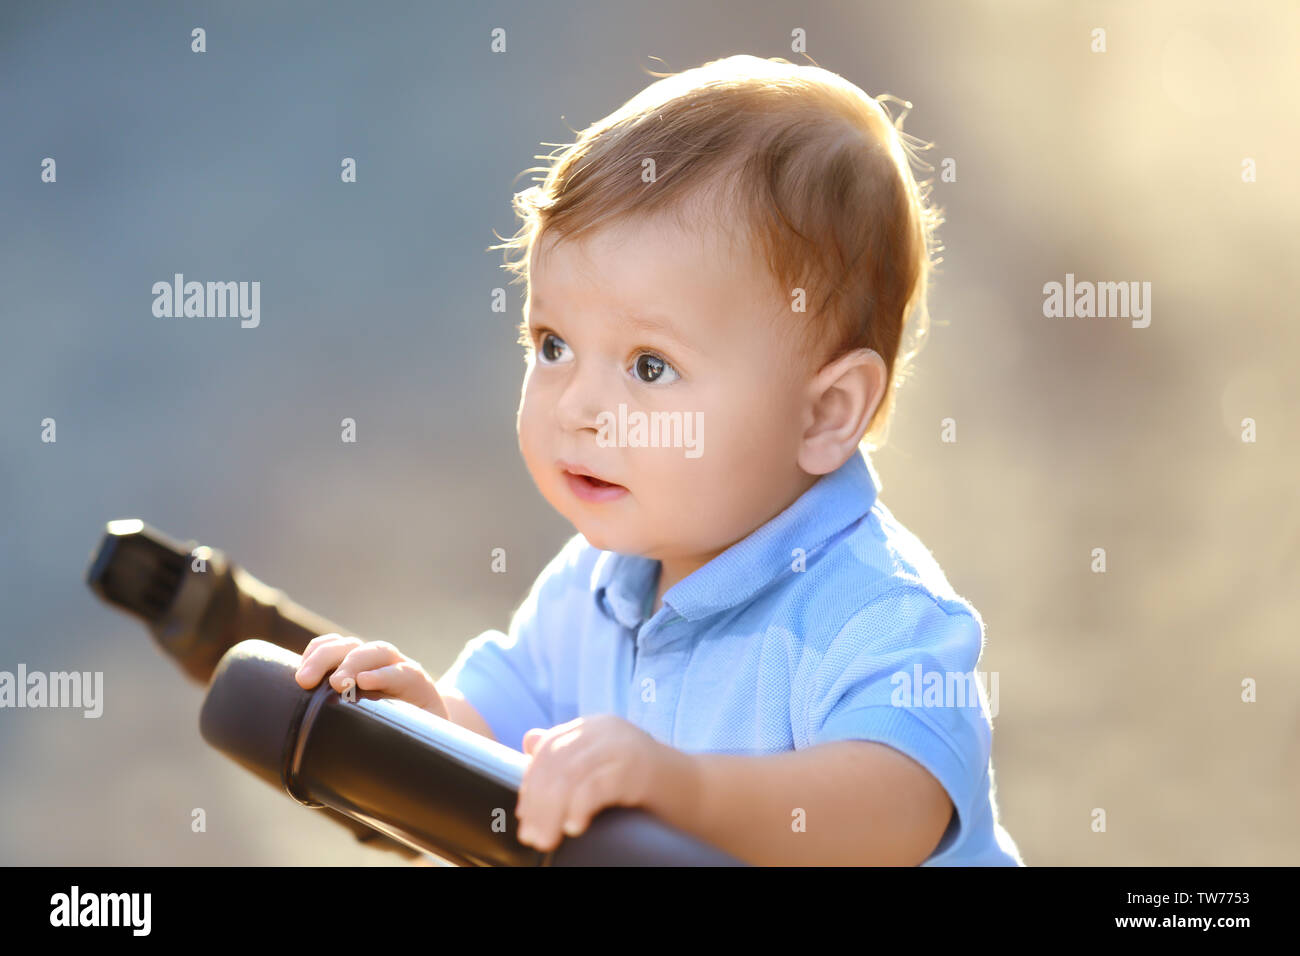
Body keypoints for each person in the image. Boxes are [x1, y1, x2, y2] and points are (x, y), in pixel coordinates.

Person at [296, 54, 1023, 866]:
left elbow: (896, 807)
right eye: (553, 345)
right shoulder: (591, 588)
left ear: (824, 413)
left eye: (649, 366)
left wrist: (684, 791)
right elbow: (505, 747)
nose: (575, 406)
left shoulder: (877, 615)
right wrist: (420, 725)